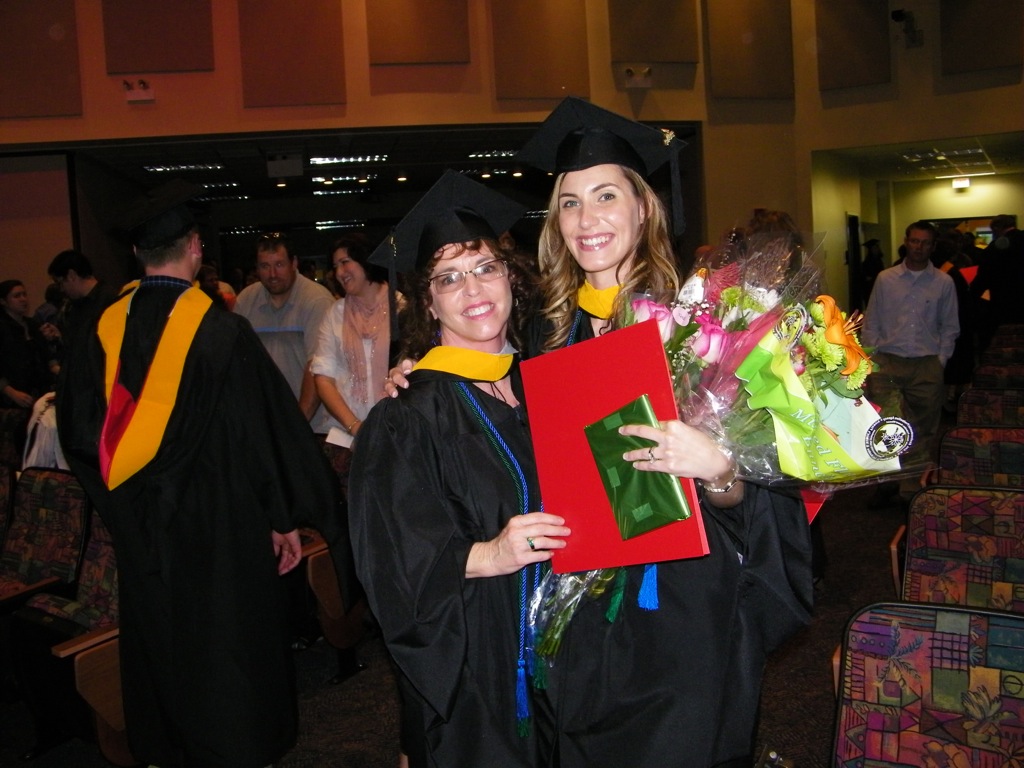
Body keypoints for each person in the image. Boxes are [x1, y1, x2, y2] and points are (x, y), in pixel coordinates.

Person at [387, 99, 813, 767]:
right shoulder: (539, 336)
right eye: (570, 203)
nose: (587, 219)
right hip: (578, 619)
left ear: (644, 207)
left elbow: (763, 498)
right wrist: (419, 371)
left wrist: (718, 468)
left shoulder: (708, 322)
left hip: (682, 613)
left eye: (606, 195)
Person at [57, 179, 355, 768]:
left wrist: (124, 507)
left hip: (143, 527)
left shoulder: (101, 330)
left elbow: (78, 433)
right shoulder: (220, 332)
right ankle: (236, 744)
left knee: (161, 632)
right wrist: (283, 517)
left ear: (138, 254)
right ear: (195, 248)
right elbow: (262, 436)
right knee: (227, 637)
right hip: (224, 524)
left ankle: (165, 745)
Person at [349, 171, 567, 767]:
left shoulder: (549, 383)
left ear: (510, 277)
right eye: (448, 277)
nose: (473, 288)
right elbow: (390, 558)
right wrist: (490, 554)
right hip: (478, 660)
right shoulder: (407, 415)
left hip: (572, 644)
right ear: (427, 301)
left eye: (485, 267)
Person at [862, 220, 959, 500]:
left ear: (933, 246)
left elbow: (950, 326)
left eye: (925, 243)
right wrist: (871, 357)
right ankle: (888, 481)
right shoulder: (886, 279)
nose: (919, 247)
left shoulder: (943, 282)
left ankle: (911, 489)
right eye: (914, 241)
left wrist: (940, 360)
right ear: (906, 242)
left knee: (923, 428)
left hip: (926, 364)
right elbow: (872, 320)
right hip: (887, 361)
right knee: (886, 425)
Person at [311, 232, 392, 493]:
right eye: (335, 266)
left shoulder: (401, 308)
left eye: (345, 262)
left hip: (396, 435)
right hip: (346, 438)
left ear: (366, 260)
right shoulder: (335, 315)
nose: (339, 272)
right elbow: (323, 377)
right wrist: (357, 427)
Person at [234, 232, 335, 434]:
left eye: (279, 264)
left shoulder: (317, 300)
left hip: (312, 427)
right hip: (265, 427)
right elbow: (237, 364)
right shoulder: (245, 300)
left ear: (294, 263)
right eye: (265, 266)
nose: (272, 274)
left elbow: (317, 367)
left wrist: (297, 428)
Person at [47, 249, 121, 351]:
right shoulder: (72, 306)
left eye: (60, 283)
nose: (61, 289)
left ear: (71, 276)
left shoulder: (110, 300)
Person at [0, 280, 57, 409]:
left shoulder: (33, 325)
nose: (23, 299)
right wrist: (11, 392)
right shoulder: (3, 328)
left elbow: (47, 356)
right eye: (17, 296)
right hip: (11, 396)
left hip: (39, 391)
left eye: (24, 294)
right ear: (3, 301)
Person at [972, 213, 1024, 353]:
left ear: (996, 228)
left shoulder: (995, 249)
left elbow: (983, 279)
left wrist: (971, 297)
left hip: (1003, 306)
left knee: (1002, 347)